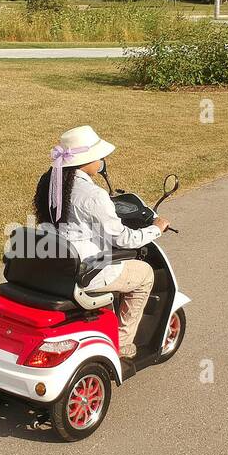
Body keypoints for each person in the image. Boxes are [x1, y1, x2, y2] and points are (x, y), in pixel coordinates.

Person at [33, 125, 169, 360]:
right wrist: (155, 229)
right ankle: (123, 343)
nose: (103, 160)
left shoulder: (52, 182)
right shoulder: (94, 195)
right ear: (86, 161)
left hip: (56, 261)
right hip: (87, 268)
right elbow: (124, 238)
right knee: (145, 273)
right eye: (99, 156)